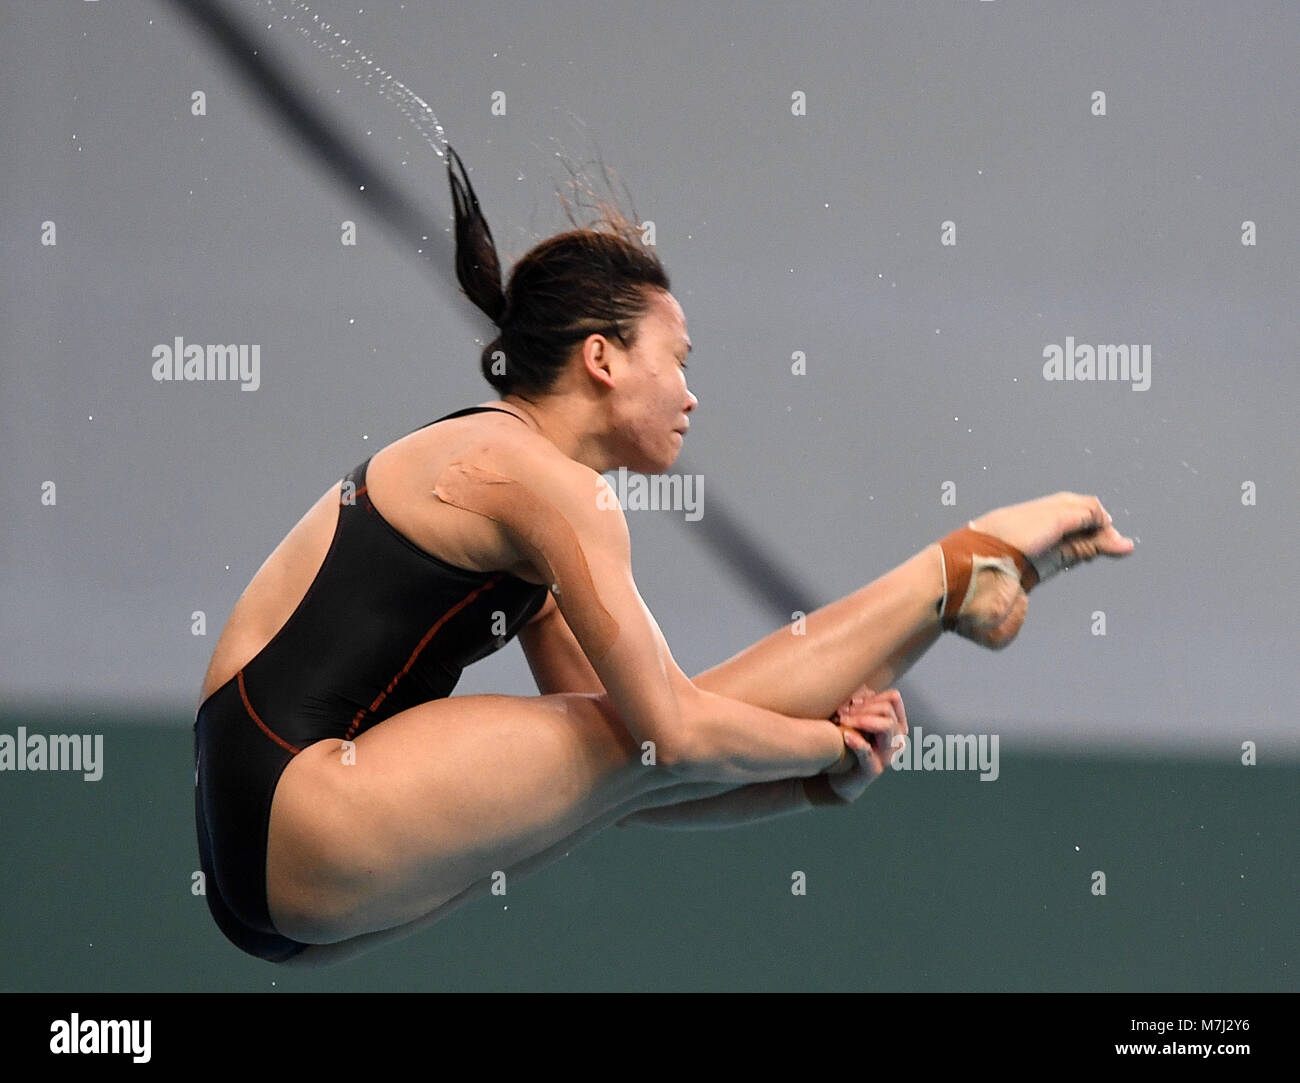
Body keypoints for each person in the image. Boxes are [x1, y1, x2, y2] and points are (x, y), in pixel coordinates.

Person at [193, 146, 1135, 966]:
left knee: (603, 777)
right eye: (677, 360)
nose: (691, 396)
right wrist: (826, 741)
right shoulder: (542, 484)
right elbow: (672, 736)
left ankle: (956, 579)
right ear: (602, 359)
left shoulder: (523, 488)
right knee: (640, 735)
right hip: (299, 797)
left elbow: (639, 780)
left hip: (273, 868)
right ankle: (956, 569)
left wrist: (810, 786)